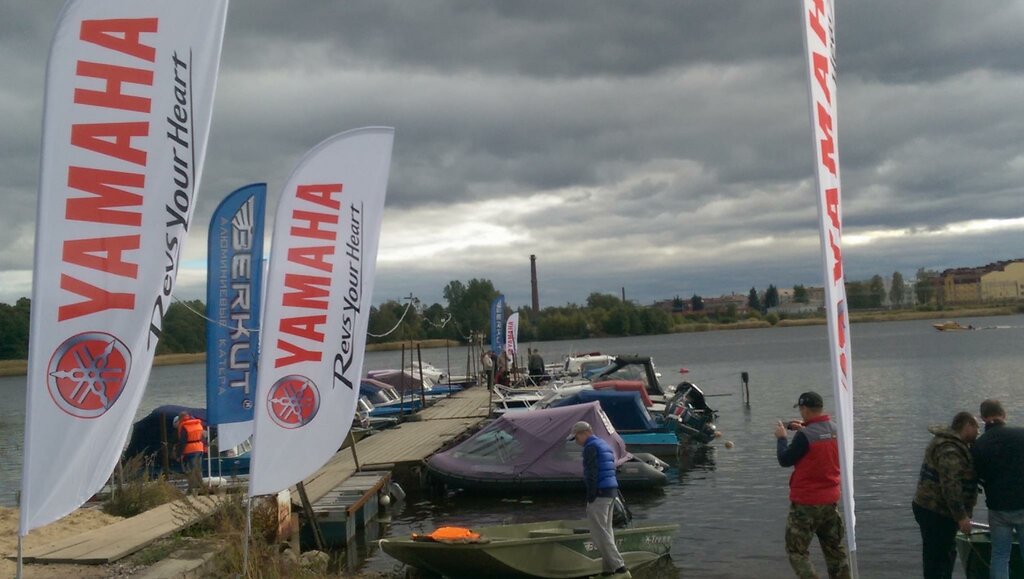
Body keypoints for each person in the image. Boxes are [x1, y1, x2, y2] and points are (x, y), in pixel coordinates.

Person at [774, 391, 851, 579]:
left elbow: (785, 459)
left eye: (801, 409)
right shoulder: (836, 430)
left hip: (806, 504)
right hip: (831, 501)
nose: (800, 413)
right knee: (834, 549)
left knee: (796, 551)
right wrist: (802, 429)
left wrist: (781, 438)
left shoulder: (805, 436)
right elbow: (820, 441)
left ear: (805, 409)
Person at [912, 411, 979, 579]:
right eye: (977, 428)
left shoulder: (945, 442)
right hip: (937, 511)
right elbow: (950, 485)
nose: (978, 433)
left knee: (939, 555)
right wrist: (962, 516)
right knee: (939, 559)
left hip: (929, 507)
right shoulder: (950, 449)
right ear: (968, 426)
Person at [972, 399, 1024, 579]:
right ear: (1004, 414)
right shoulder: (1021, 434)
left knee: (1000, 556)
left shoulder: (979, 444)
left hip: (998, 508)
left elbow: (977, 477)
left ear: (983, 417)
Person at [572, 420, 630, 579]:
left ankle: (621, 570)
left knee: (599, 534)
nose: (576, 442)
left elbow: (591, 474)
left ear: (584, 433)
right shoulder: (604, 444)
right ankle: (608, 572)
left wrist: (590, 496)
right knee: (606, 532)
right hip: (611, 492)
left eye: (576, 438)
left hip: (599, 493)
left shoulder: (590, 447)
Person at [176, 411, 207, 475]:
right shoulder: (197, 424)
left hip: (190, 450)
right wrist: (205, 447)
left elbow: (183, 442)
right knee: (198, 468)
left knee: (192, 469)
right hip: (200, 448)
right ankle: (199, 483)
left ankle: (194, 483)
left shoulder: (184, 426)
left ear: (181, 418)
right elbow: (203, 437)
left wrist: (180, 454)